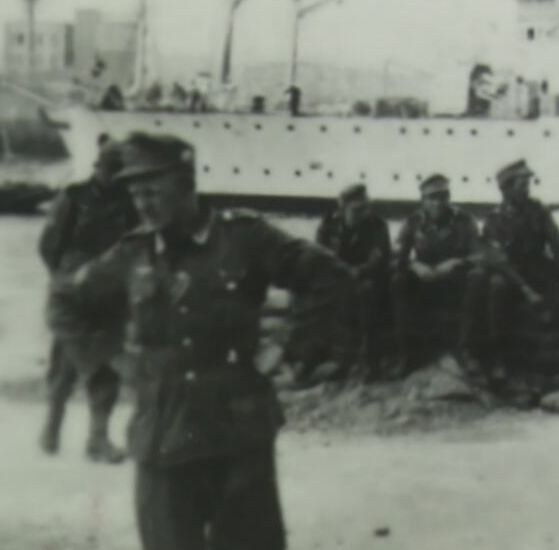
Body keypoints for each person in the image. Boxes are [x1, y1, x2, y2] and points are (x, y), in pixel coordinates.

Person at [51, 132, 350, 550]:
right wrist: (110, 358)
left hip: (239, 443)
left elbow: (331, 277)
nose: (143, 205)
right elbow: (66, 300)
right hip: (162, 444)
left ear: (186, 185)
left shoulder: (245, 238)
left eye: (152, 192)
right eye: (136, 194)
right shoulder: (132, 253)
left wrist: (289, 347)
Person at [37, 139, 138, 463]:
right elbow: (49, 244)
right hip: (73, 286)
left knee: (104, 360)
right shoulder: (74, 197)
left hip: (110, 289)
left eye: (120, 173)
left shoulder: (129, 204)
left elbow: (134, 246)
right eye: (111, 171)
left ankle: (97, 440)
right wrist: (64, 278)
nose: (115, 178)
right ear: (99, 169)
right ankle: (52, 429)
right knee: (66, 360)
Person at [480, 160, 559, 383]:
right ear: (506, 189)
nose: (527, 190)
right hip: (510, 274)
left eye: (528, 185)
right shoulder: (493, 219)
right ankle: (499, 358)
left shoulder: (538, 211)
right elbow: (498, 260)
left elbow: (557, 244)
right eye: (521, 185)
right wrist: (525, 288)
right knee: (496, 289)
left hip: (537, 268)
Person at [391, 174, 484, 376]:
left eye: (442, 197)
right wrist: (413, 264)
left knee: (477, 277)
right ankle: (405, 353)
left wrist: (456, 262)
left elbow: (479, 254)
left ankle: (465, 349)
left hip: (454, 278)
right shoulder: (413, 221)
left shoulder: (464, 220)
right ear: (423, 200)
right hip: (424, 278)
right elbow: (397, 254)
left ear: (448, 198)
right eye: (432, 198)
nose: (437, 203)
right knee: (398, 280)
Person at [315, 183, 392, 379]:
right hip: (337, 277)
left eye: (366, 208)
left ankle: (371, 360)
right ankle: (338, 358)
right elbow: (320, 255)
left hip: (367, 276)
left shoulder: (377, 225)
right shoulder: (328, 224)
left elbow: (378, 258)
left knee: (367, 295)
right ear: (342, 209)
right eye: (357, 209)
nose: (363, 213)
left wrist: (355, 272)